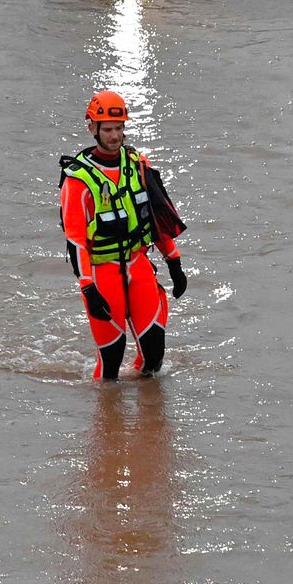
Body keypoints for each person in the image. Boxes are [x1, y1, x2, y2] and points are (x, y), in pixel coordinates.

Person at [61, 89, 189, 380]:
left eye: (120, 128)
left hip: (138, 264)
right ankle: (107, 418)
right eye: (108, 129)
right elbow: (76, 241)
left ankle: (148, 416)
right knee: (110, 363)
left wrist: (174, 262)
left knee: (154, 358)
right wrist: (88, 288)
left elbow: (156, 217)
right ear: (92, 128)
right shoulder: (77, 180)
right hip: (102, 273)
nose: (115, 136)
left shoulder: (138, 165)